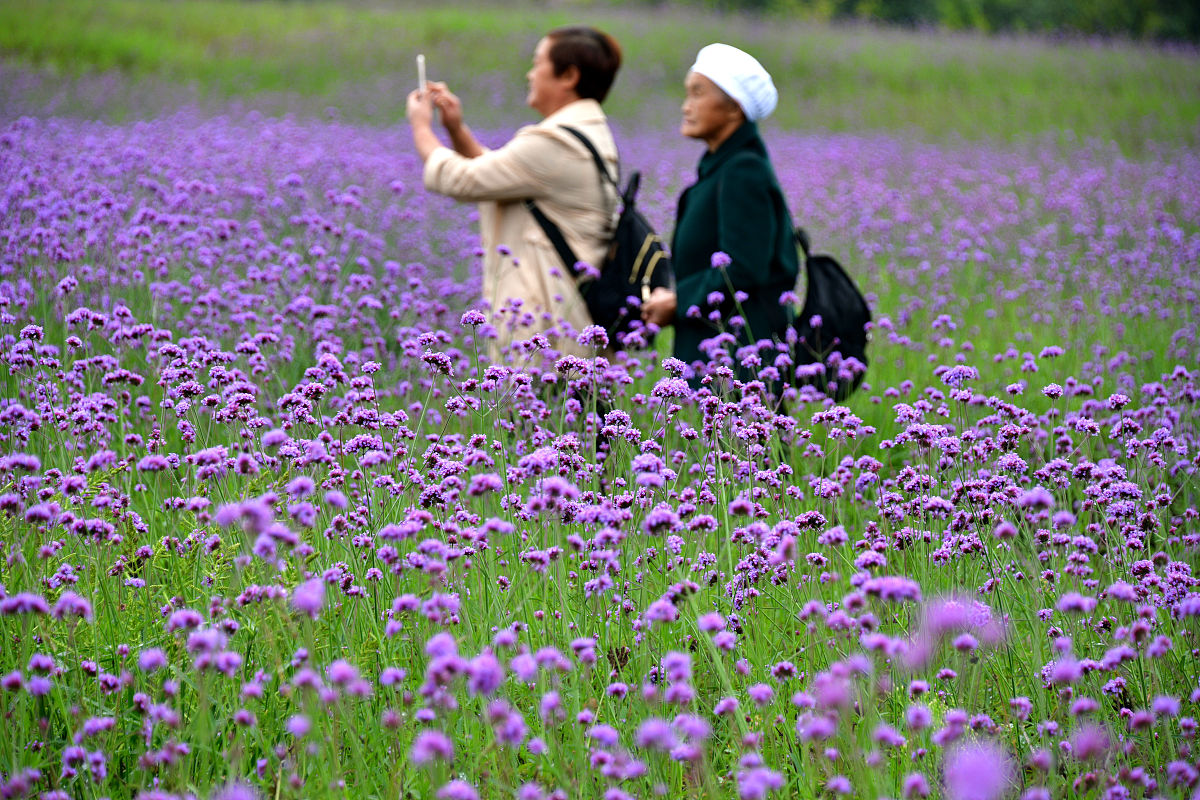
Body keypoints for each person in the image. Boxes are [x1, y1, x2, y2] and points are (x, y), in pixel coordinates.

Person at [406, 26, 622, 362]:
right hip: (571, 326)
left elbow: (463, 180)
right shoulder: (586, 133)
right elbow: (502, 175)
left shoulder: (555, 143)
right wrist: (455, 130)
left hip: (544, 339)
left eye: (537, 64)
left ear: (569, 76)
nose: (529, 74)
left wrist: (421, 127)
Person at [641, 43, 798, 383]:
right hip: (719, 357)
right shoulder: (723, 168)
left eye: (698, 93)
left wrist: (679, 302)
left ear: (733, 108)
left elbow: (742, 268)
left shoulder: (743, 172)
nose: (686, 106)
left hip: (739, 366)